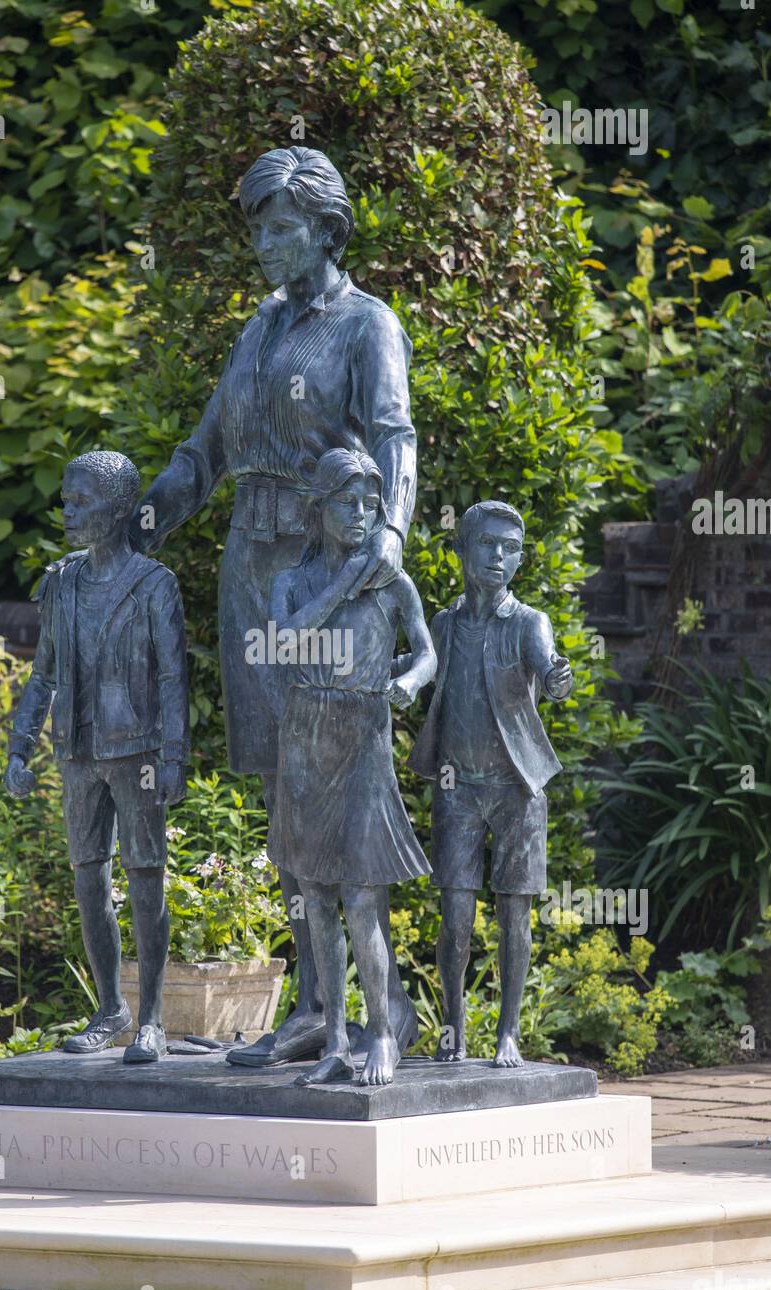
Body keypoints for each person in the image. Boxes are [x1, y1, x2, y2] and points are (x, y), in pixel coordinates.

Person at [131, 146, 419, 1066]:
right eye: (255, 226)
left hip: (325, 579)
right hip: (250, 574)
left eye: (280, 225)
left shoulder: (366, 325)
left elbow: (393, 435)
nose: (262, 242)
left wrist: (393, 536)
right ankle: (311, 1006)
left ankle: (383, 1014)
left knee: (338, 789)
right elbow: (202, 451)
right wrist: (143, 519)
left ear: (327, 230)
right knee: (280, 795)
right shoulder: (255, 332)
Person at [5, 451, 189, 1063]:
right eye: (66, 498)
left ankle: (152, 1018)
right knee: (89, 880)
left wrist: (172, 757)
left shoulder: (154, 585)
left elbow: (172, 679)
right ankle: (110, 1008)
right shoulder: (60, 583)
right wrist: (19, 746)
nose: (67, 511)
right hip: (79, 752)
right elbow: (43, 675)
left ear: (116, 511)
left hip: (135, 750)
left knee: (145, 880)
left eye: (80, 501)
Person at [267, 449, 436, 1086]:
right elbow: (286, 642)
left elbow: (425, 652)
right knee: (313, 896)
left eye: (371, 503)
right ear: (320, 507)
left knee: (364, 897)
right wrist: (344, 583)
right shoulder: (291, 580)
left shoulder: (395, 584)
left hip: (365, 733)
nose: (362, 514)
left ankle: (383, 1033)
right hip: (306, 735)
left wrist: (413, 683)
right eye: (347, 502)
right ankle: (334, 1038)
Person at [408, 500, 573, 1068]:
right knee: (454, 918)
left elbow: (548, 667)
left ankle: (508, 1032)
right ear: (463, 549)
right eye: (488, 544)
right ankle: (451, 1028)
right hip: (456, 787)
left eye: (510, 548)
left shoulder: (529, 623)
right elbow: (425, 675)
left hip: (516, 789)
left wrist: (555, 678)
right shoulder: (444, 625)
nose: (499, 556)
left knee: (513, 917)